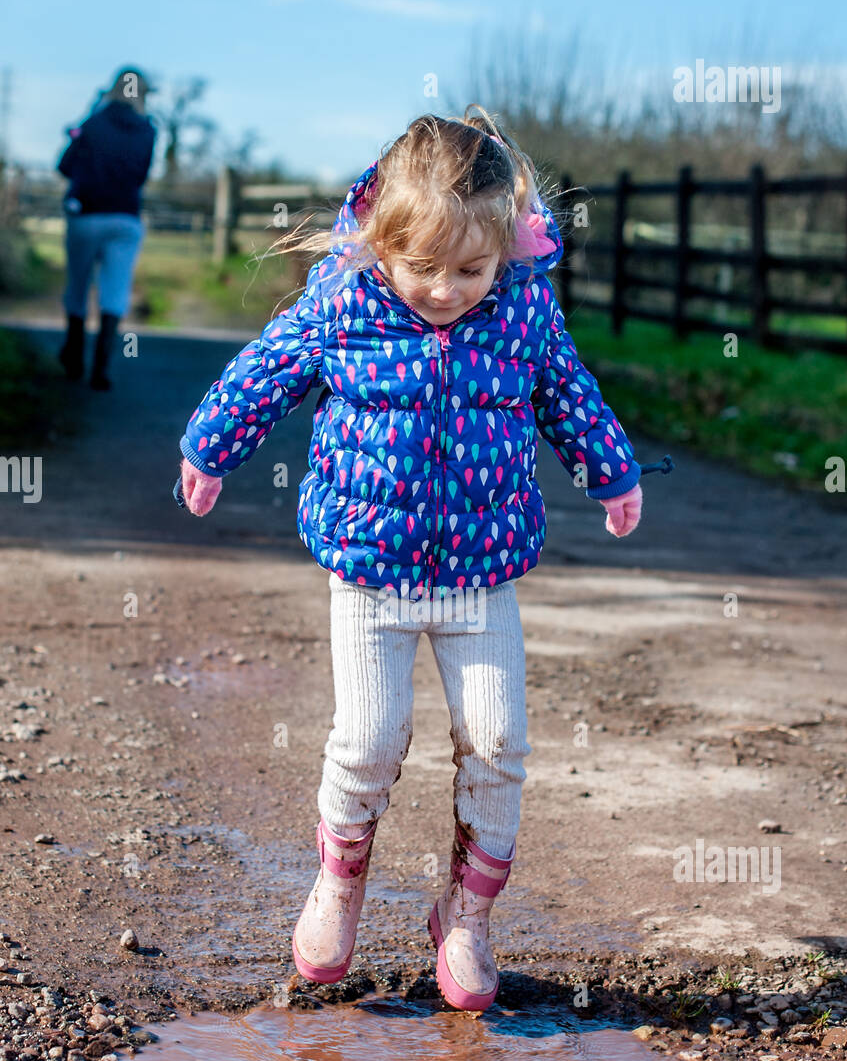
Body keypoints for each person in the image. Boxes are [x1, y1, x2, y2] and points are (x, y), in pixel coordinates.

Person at [175, 106, 643, 1012]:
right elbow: (264, 369)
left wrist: (611, 469)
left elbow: (566, 389)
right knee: (369, 737)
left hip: (481, 571)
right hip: (369, 567)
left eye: (470, 269)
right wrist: (211, 447)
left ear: (504, 249)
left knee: (499, 741)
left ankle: (464, 918)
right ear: (379, 240)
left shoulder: (523, 306)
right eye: (421, 268)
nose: (444, 290)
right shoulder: (344, 298)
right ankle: (339, 885)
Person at [56, 66, 157, 390]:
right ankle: (101, 369)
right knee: (115, 291)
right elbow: (141, 176)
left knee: (78, 285)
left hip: (86, 214)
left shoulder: (93, 122)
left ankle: (73, 357)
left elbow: (64, 165)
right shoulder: (148, 130)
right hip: (125, 218)